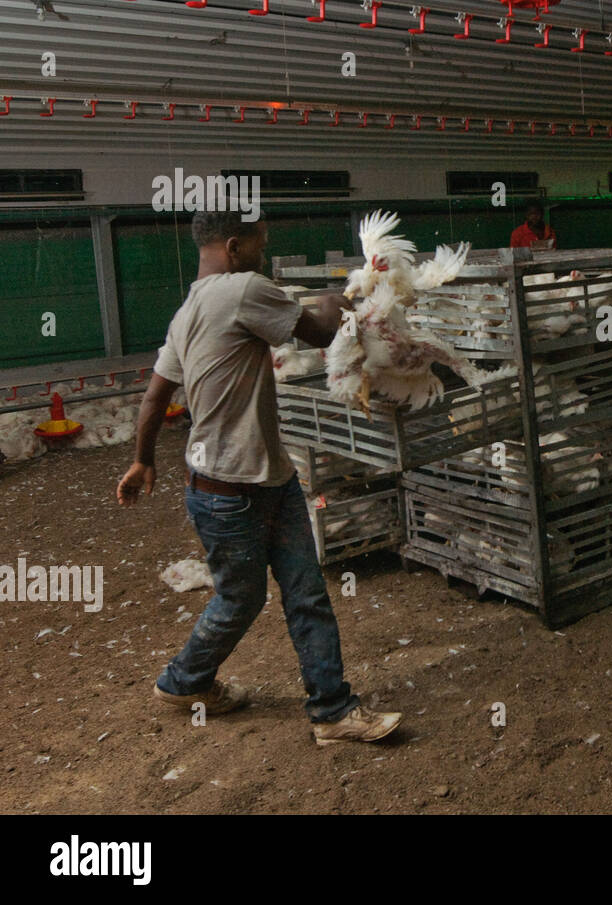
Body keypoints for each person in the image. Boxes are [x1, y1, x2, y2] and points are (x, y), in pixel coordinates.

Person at [115, 211, 402, 747]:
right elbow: (317, 331)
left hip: (237, 484)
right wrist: (344, 296)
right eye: (260, 246)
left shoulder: (187, 311)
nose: (263, 255)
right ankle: (183, 681)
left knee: (299, 592)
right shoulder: (245, 288)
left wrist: (142, 459)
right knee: (247, 600)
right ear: (234, 247)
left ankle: (333, 712)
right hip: (238, 492)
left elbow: (155, 395)